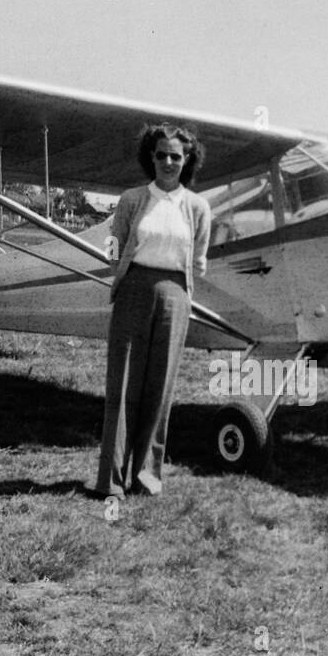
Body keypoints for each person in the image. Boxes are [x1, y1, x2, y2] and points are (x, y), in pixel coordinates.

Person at [94, 122, 210, 497]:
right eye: (161, 155)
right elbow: (115, 246)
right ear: (151, 157)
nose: (168, 162)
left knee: (160, 387)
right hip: (133, 290)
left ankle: (145, 477)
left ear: (187, 159)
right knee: (123, 384)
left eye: (176, 156)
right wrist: (126, 276)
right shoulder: (132, 199)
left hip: (176, 295)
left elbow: (200, 260)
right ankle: (111, 481)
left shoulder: (197, 207)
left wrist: (178, 289)